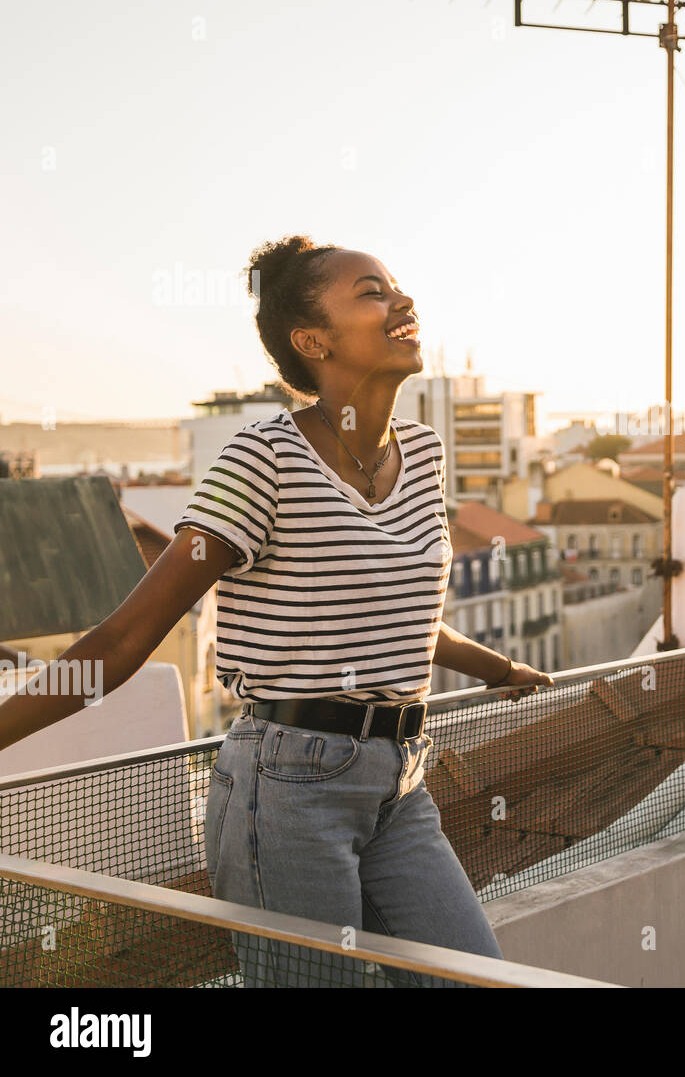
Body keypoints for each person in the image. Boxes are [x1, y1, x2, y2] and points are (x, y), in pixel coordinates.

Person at [0, 234, 553, 987]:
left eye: (395, 285)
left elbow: (399, 617)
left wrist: (499, 667)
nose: (402, 300)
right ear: (313, 341)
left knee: (476, 978)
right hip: (288, 788)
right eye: (372, 292)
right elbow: (127, 635)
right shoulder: (262, 460)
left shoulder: (424, 455)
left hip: (401, 781)